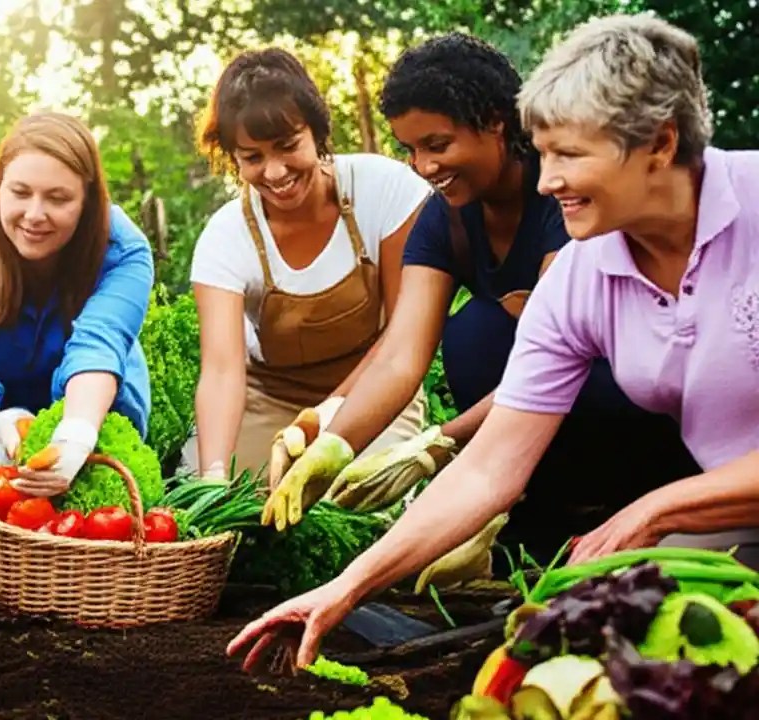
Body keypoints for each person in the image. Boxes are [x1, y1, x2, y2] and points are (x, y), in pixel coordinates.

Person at [230, 14, 759, 672]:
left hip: (694, 492)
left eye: (570, 155)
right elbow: (490, 466)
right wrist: (344, 589)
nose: (545, 180)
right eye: (546, 153)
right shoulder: (583, 272)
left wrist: (651, 512)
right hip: (728, 508)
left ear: (659, 142)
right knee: (624, 629)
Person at [260, 33, 701, 564]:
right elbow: (402, 354)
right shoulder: (442, 220)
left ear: (495, 121)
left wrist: (437, 444)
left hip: (633, 405)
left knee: (487, 334)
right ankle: (536, 518)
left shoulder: (565, 196)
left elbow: (563, 357)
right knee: (474, 332)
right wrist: (336, 441)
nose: (422, 167)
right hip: (535, 420)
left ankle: (639, 506)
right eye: (410, 149)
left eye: (437, 145)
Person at [185, 47, 432, 483]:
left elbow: (401, 334)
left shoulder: (385, 190)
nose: (275, 172)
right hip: (270, 397)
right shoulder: (226, 237)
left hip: (378, 384)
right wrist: (214, 476)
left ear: (316, 132)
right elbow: (223, 371)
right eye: (253, 157)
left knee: (360, 495)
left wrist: (322, 421)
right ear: (234, 158)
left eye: (287, 146)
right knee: (243, 506)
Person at [0, 112, 154, 502]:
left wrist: (76, 433)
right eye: (20, 193)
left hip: (94, 402)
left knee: (91, 509)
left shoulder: (125, 253)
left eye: (58, 198)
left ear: (88, 201)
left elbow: (97, 348)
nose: (35, 215)